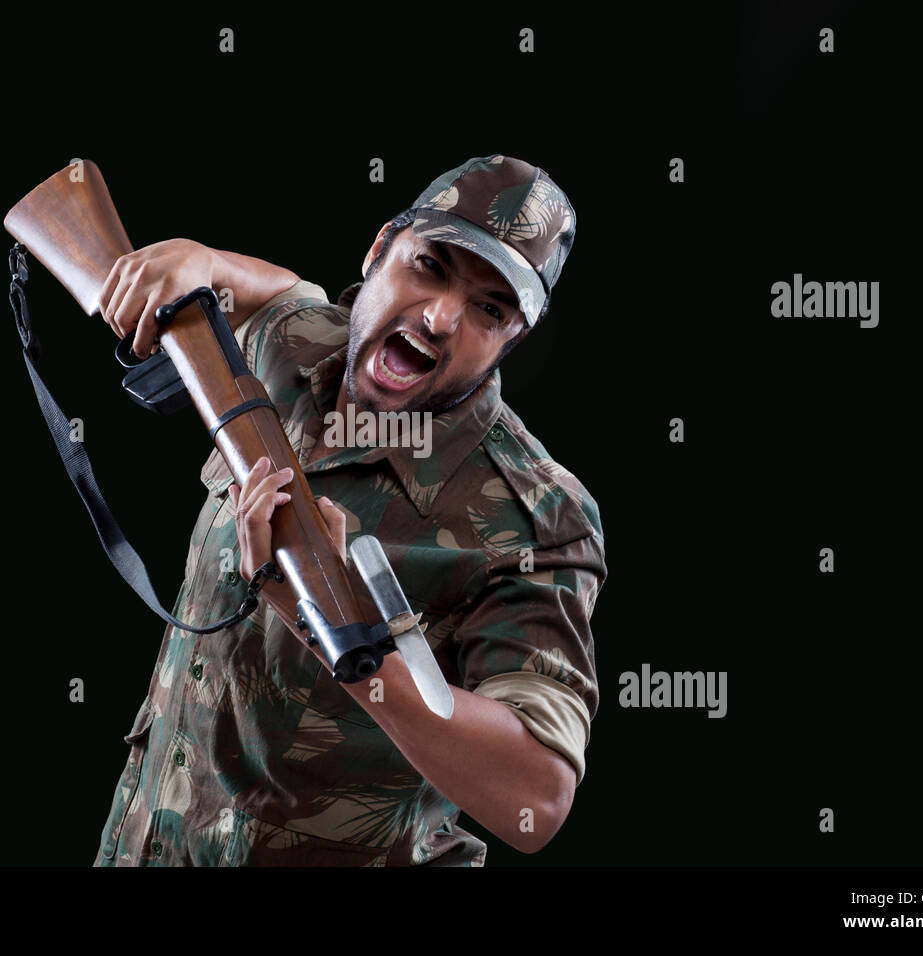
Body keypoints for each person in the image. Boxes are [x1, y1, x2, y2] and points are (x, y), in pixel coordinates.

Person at [91, 155, 607, 866]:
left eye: (490, 308)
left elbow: (536, 798)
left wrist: (341, 633)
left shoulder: (538, 515)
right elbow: (282, 294)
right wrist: (202, 260)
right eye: (429, 265)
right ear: (377, 251)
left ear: (512, 338)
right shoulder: (301, 347)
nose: (440, 315)